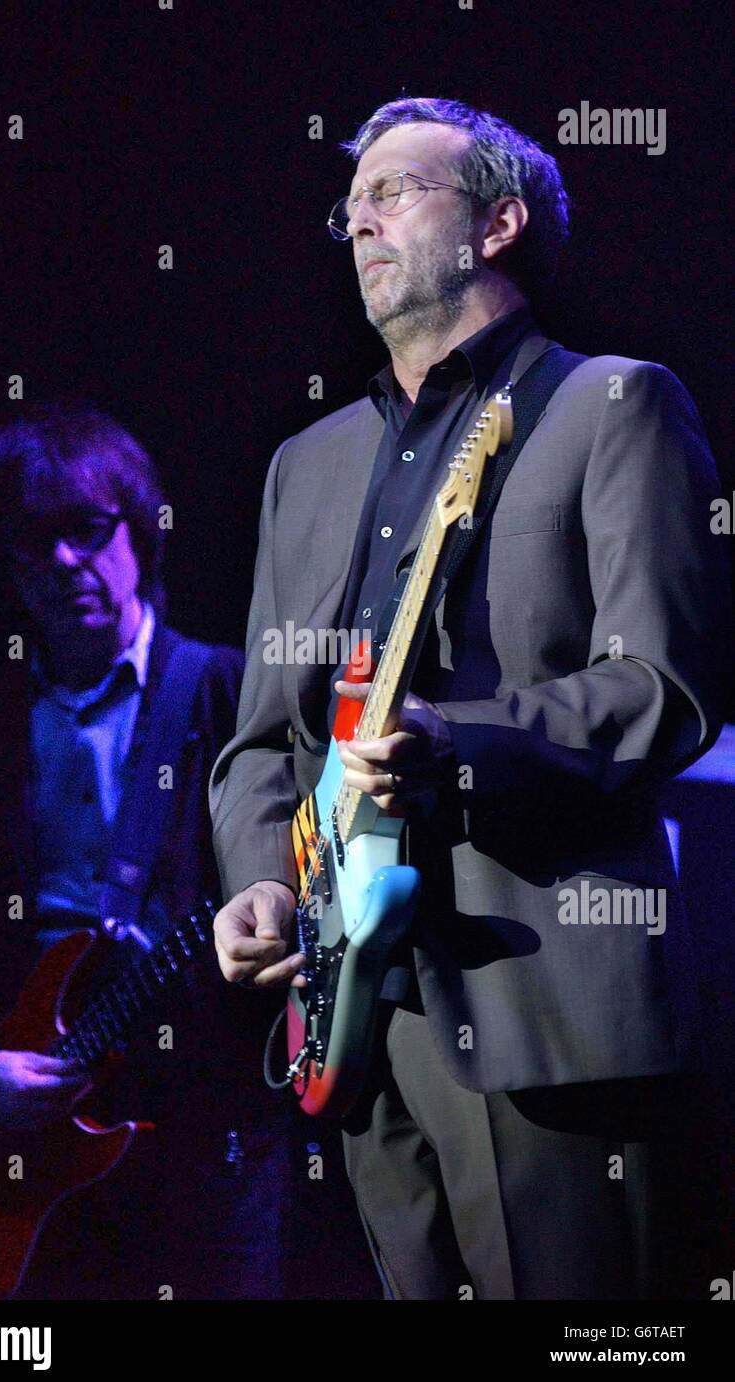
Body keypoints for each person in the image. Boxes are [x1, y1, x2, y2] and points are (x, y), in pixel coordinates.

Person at [209, 98, 732, 1299]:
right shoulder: (306, 465)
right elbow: (262, 741)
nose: (358, 221)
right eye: (350, 205)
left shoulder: (614, 404)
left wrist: (458, 743)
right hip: (357, 1024)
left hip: (546, 1006)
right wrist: (259, 882)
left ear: (498, 225)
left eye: (394, 192)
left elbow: (664, 688)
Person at [0, 402, 295, 1299]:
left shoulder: (226, 692)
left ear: (140, 530)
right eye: (33, 540)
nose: (63, 561)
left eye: (85, 528)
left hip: (200, 1137)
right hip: (22, 1159)